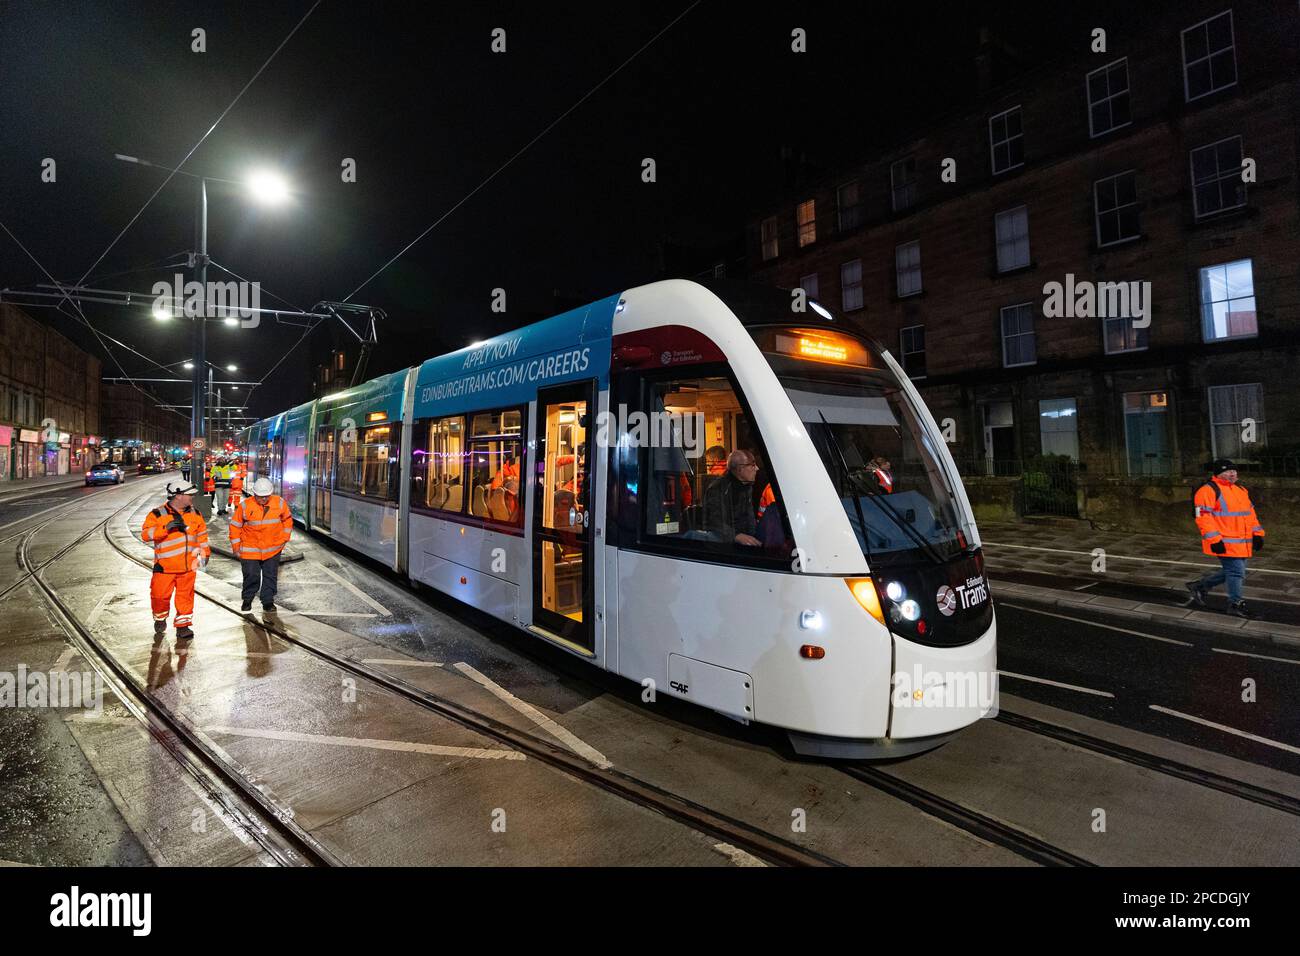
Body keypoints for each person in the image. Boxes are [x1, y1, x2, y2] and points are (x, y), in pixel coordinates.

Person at [1187, 458, 1266, 619]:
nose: (1233, 474)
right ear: (1219, 473)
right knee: (1236, 572)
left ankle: (1199, 586)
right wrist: (1215, 540)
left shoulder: (1240, 490)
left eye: (1234, 471)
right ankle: (1235, 604)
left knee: (1235, 571)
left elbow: (1250, 514)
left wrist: (1257, 533)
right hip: (1224, 541)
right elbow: (1203, 518)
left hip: (1242, 541)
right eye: (1229, 471)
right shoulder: (1207, 491)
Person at [140, 481, 210, 640]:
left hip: (187, 567)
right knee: (159, 597)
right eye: (189, 495)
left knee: (185, 597)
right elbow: (145, 535)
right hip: (165, 568)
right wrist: (165, 529)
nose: (192, 497)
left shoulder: (195, 514)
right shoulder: (157, 514)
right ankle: (160, 618)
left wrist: (205, 553)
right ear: (178, 495)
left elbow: (202, 536)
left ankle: (183, 627)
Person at [229, 476, 293, 614]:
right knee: (251, 575)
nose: (263, 499)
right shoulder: (245, 505)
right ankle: (247, 599)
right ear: (254, 494)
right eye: (260, 497)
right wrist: (236, 546)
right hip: (250, 549)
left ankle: (268, 602)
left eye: (266, 496)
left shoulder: (279, 503)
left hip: (273, 548)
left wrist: (284, 538)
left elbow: (287, 520)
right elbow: (235, 526)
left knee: (270, 575)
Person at [702, 449, 762, 547]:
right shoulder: (718, 488)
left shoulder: (747, 486)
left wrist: (753, 536)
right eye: (752, 465)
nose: (757, 468)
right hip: (724, 547)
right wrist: (735, 536)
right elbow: (712, 521)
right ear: (740, 469)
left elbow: (749, 518)